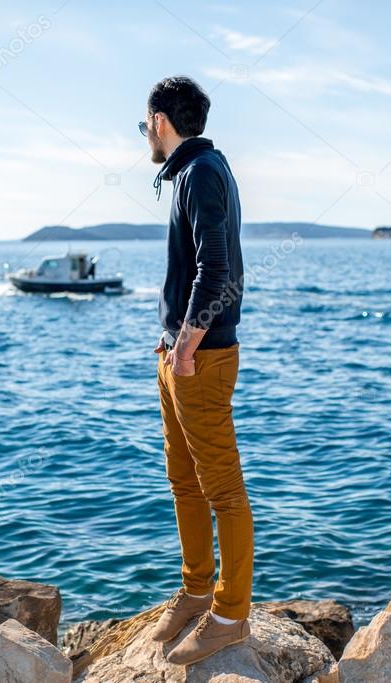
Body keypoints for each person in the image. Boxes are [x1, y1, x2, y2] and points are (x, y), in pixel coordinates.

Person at [139, 75, 252, 666]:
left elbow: (221, 265)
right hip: (178, 351)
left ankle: (231, 617)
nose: (145, 139)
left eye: (144, 127)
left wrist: (184, 345)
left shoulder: (203, 172)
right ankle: (196, 589)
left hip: (200, 357)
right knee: (184, 482)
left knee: (223, 491)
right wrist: (169, 345)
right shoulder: (190, 172)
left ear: (161, 121)